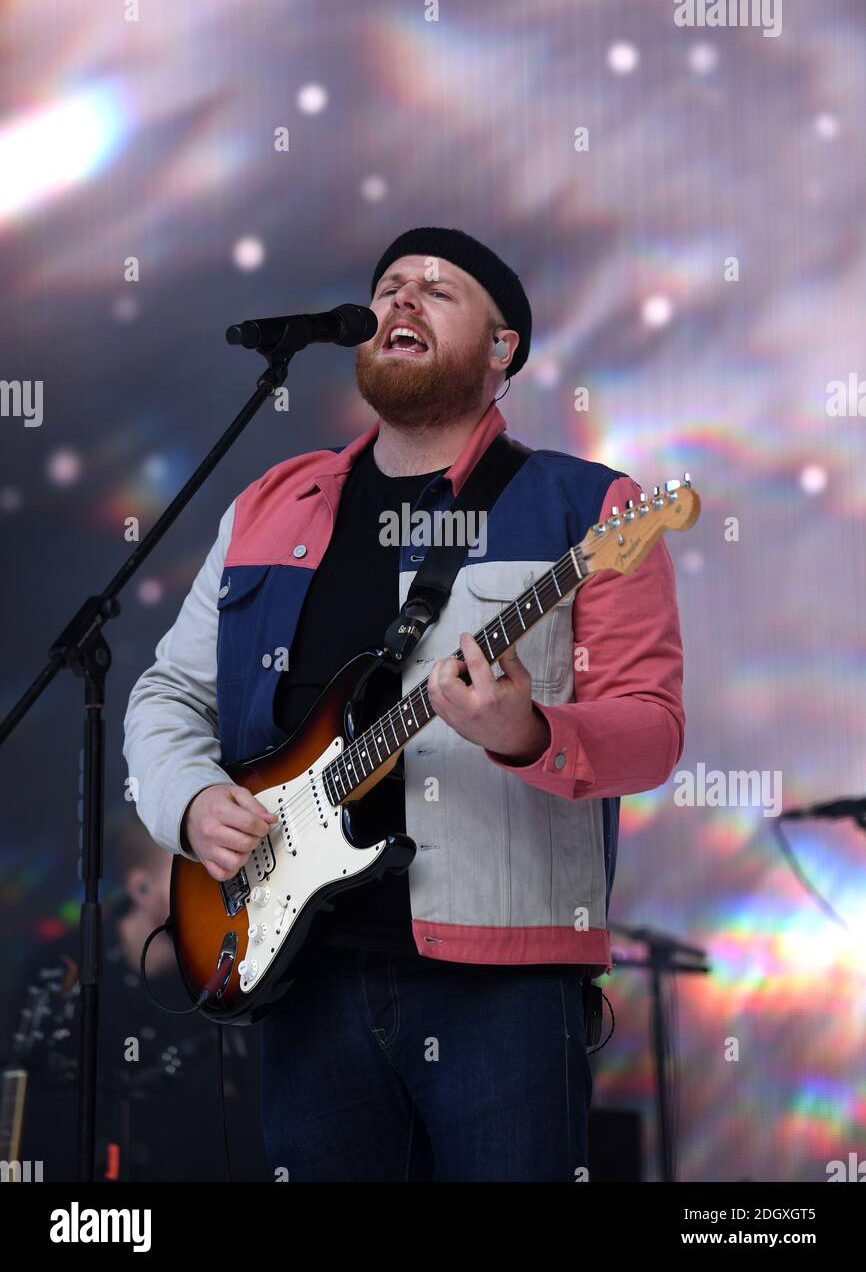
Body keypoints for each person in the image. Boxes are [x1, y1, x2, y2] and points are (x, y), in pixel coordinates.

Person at [123, 225, 685, 1182]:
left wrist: (531, 734)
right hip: (298, 967)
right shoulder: (272, 503)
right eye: (389, 286)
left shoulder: (587, 509)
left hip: (501, 988)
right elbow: (169, 691)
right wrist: (187, 800)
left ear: (502, 347)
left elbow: (653, 730)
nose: (403, 301)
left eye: (439, 289)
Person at [1, 812, 268, 1181]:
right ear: (140, 888)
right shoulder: (64, 965)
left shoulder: (231, 965)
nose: (217, 883)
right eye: (193, 873)